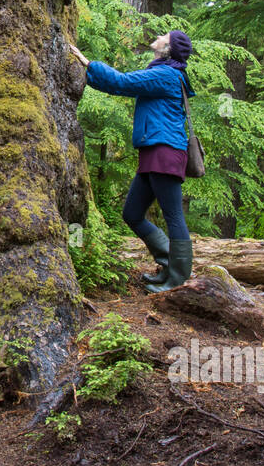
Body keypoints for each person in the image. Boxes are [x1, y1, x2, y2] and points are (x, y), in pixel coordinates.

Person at [68, 30, 195, 292]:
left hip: (165, 151)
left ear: (169, 48)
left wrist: (88, 63)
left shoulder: (167, 74)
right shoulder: (165, 72)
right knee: (132, 213)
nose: (159, 35)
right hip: (153, 151)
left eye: (165, 35)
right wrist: (90, 73)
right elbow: (117, 85)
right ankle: (167, 265)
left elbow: (123, 82)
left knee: (173, 215)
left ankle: (178, 279)